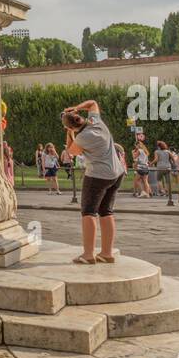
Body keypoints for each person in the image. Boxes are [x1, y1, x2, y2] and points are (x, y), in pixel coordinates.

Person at [62, 100, 122, 264]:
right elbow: (93, 103)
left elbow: (71, 151)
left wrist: (69, 133)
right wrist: (76, 107)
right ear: (81, 118)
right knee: (106, 211)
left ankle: (88, 254)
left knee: (88, 212)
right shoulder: (96, 122)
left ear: (72, 127)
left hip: (98, 175)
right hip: (117, 173)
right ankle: (107, 253)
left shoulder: (82, 138)